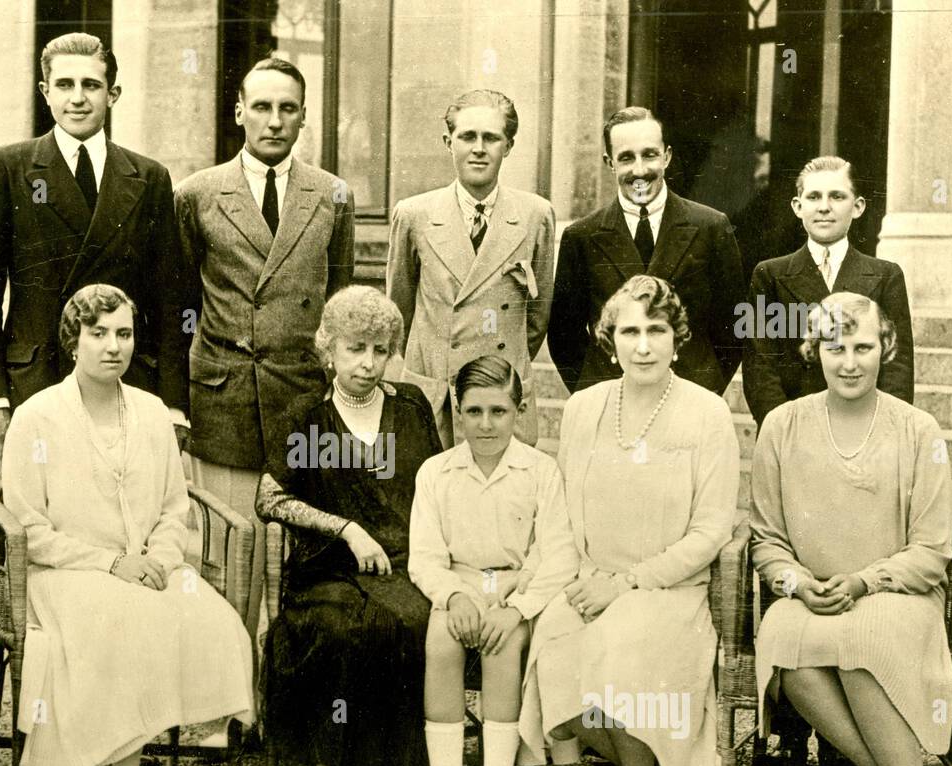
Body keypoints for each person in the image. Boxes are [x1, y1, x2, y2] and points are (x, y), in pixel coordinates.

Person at [0, 284, 253, 766]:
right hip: (64, 574)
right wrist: (112, 563)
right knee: (123, 621)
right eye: (98, 334)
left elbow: (172, 506)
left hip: (146, 568)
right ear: (73, 342)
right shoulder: (37, 417)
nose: (113, 347)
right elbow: (29, 528)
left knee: (210, 619)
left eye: (123, 334)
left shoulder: (151, 412)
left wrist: (160, 561)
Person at [749, 292, 952, 766]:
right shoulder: (782, 425)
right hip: (811, 597)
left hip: (898, 596)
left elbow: (932, 551)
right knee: (785, 641)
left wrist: (862, 582)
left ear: (887, 348)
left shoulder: (917, 429)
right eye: (835, 347)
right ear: (813, 350)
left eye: (863, 347)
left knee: (860, 637)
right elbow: (766, 541)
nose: (849, 362)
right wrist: (797, 582)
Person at [522, 275, 740, 766]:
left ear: (678, 338)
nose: (642, 345)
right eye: (629, 332)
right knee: (554, 643)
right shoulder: (585, 407)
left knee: (625, 643)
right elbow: (563, 510)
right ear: (608, 339)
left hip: (670, 589)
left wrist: (631, 582)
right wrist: (578, 580)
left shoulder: (708, 412)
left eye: (656, 330)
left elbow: (712, 530)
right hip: (592, 579)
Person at [175, 56, 355, 654]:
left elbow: (340, 306)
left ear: (304, 117)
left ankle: (288, 698)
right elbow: (181, 305)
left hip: (300, 397)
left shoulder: (332, 195)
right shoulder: (197, 194)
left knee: (299, 555)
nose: (273, 121)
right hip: (223, 398)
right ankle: (224, 703)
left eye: (287, 108)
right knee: (225, 550)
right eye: (261, 106)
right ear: (238, 112)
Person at [256, 287, 441, 766]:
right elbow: (269, 499)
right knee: (336, 628)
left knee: (405, 625)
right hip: (327, 570)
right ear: (328, 350)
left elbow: (438, 487)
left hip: (404, 567)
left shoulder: (411, 409)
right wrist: (344, 526)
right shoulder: (307, 418)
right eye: (356, 348)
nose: (368, 362)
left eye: (380, 350)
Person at [0, 31, 189, 473]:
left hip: (124, 382)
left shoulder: (149, 176)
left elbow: (171, 301)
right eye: (65, 85)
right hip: (34, 382)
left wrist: (175, 405)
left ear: (113, 94)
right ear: (45, 92)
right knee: (36, 519)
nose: (78, 99)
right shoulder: (6, 168)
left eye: (91, 85)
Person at [396, 357, 576, 766]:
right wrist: (453, 595)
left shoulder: (541, 471)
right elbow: (425, 556)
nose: (486, 424)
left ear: (519, 411)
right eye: (473, 411)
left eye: (498, 411)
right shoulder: (437, 472)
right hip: (461, 588)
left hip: (519, 593)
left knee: (502, 647)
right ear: (457, 412)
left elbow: (559, 555)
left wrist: (517, 607)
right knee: (440, 639)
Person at [386, 89, 556, 448]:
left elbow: (537, 317)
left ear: (508, 146)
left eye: (491, 138)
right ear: (449, 142)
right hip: (438, 395)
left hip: (502, 392)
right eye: (467, 137)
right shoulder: (415, 214)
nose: (479, 148)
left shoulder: (535, 215)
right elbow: (399, 309)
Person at [548, 107, 746, 397]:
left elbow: (732, 325)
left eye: (649, 155)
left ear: (666, 156)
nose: (639, 170)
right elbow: (564, 335)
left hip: (688, 398)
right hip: (611, 400)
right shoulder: (581, 236)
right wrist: (594, 391)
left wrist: (705, 388)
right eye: (626, 158)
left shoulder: (711, 227)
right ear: (609, 162)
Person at [742, 156, 914, 431]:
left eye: (836, 196)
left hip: (865, 428)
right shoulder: (769, 275)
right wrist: (784, 430)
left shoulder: (886, 276)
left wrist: (882, 430)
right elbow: (759, 368)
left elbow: (898, 366)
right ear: (798, 207)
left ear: (857, 207)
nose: (824, 207)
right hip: (794, 427)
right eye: (813, 197)